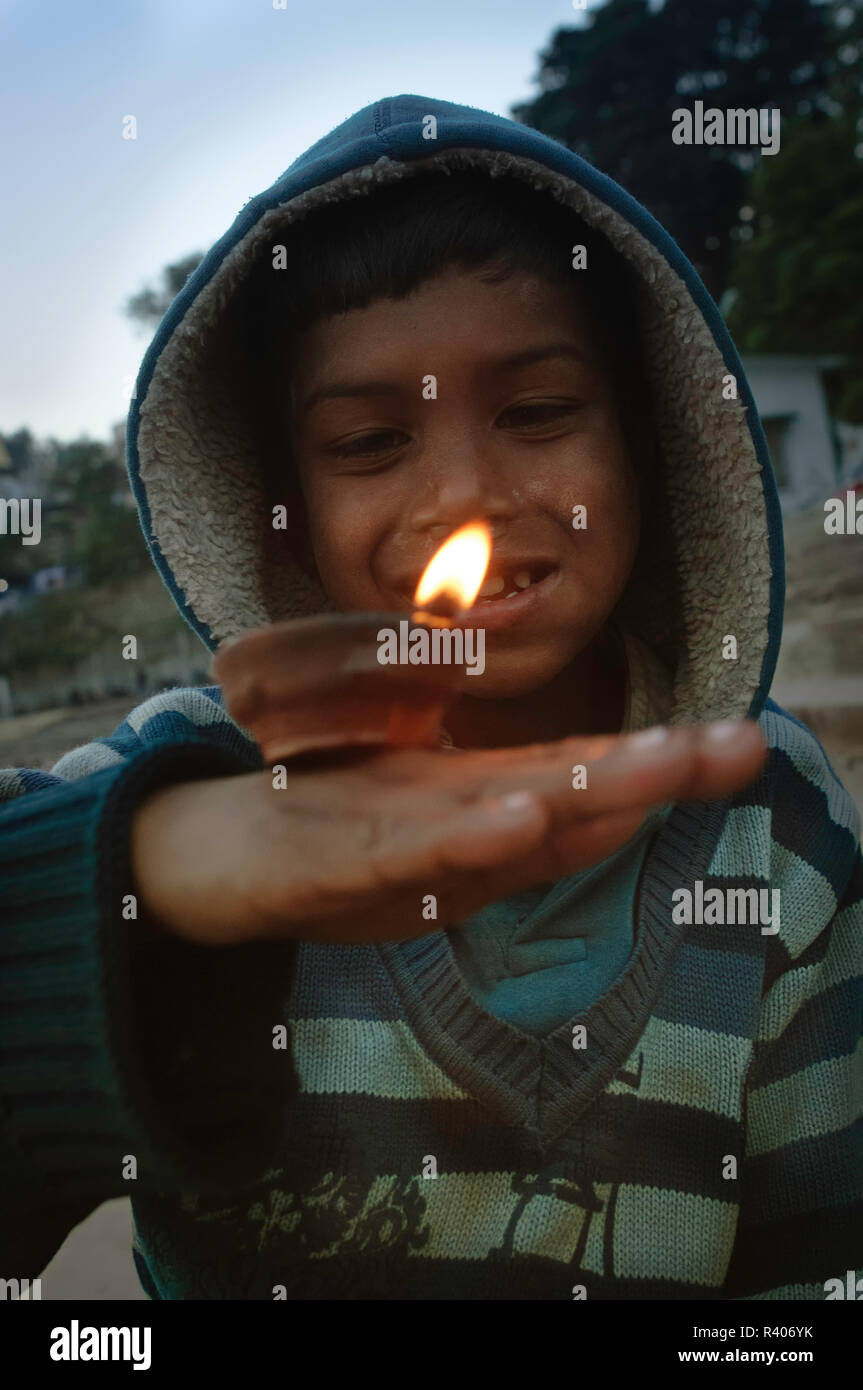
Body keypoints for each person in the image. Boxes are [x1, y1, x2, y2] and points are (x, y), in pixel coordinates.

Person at [1, 94, 859, 1300]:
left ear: (650, 442)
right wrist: (147, 876)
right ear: (282, 515)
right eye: (365, 442)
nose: (461, 496)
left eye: (538, 411)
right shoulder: (184, 786)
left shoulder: (770, 812)